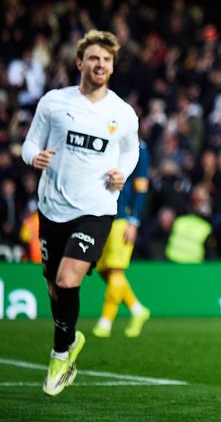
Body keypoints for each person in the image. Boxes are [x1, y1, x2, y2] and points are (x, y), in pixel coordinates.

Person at [21, 30, 139, 396]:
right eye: (93, 58)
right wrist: (32, 157)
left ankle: (60, 356)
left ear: (112, 67)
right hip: (53, 207)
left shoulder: (122, 112)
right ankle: (71, 339)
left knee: (69, 280)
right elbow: (29, 142)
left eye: (106, 59)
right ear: (80, 63)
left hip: (97, 209)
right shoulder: (54, 102)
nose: (100, 64)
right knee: (55, 290)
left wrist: (124, 173)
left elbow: (131, 151)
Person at [92, 140, 151, 339]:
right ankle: (137, 310)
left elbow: (141, 186)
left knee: (116, 270)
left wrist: (134, 220)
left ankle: (105, 322)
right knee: (102, 268)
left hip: (123, 218)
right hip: (102, 213)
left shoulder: (138, 149)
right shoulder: (105, 140)